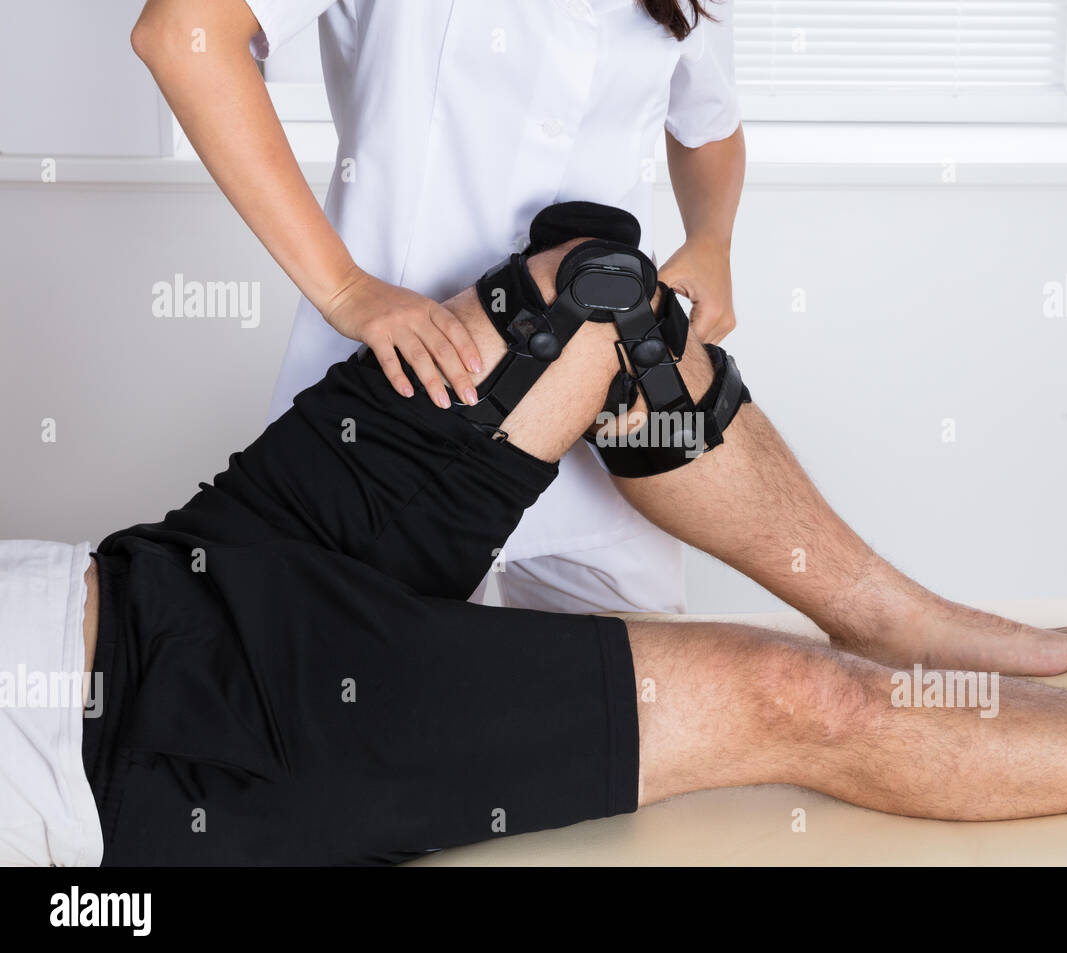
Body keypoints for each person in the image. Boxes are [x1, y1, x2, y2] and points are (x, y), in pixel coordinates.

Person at [4, 211, 1067, 866]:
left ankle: (894, 612)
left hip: (172, 569)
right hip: (169, 747)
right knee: (798, 695)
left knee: (591, 286)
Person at [130, 0, 748, 616]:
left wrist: (713, 238)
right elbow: (184, 31)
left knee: (640, 699)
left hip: (598, 433)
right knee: (368, 688)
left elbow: (710, 124)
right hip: (407, 398)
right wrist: (342, 287)